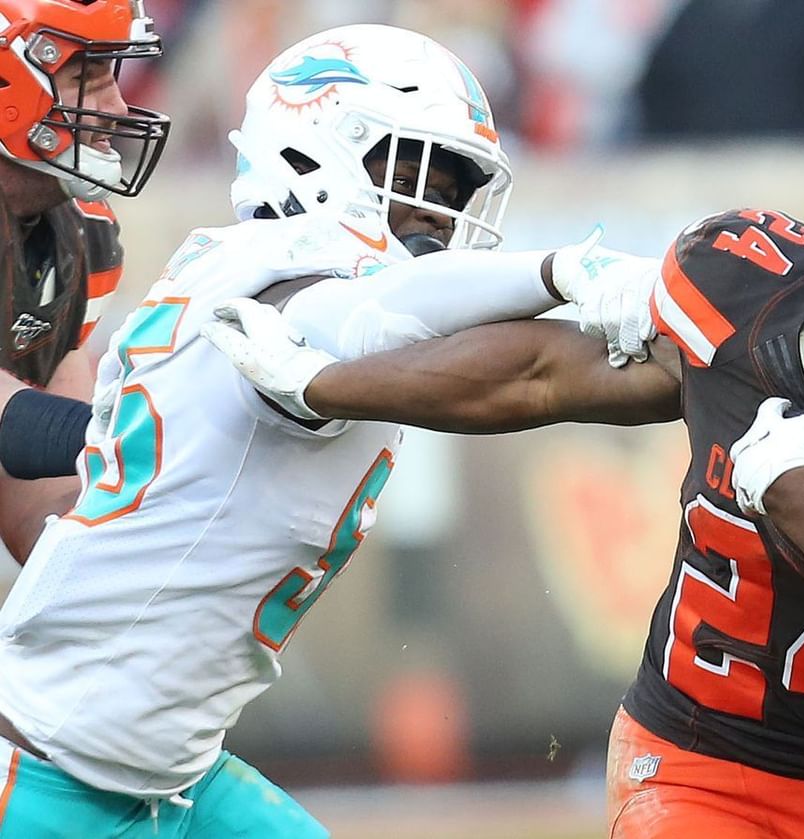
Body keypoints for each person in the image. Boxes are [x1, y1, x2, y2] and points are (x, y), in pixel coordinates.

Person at [208, 82, 804, 838]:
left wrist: (794, 490)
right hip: (702, 770)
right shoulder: (748, 298)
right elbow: (537, 372)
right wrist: (325, 380)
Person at [0, 23, 655, 837]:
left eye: (455, 188)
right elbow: (426, 334)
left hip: (164, 769)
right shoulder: (288, 297)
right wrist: (563, 271)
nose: (438, 214)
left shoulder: (250, 269)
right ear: (314, 153)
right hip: (55, 778)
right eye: (417, 174)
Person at [0, 0, 170, 563]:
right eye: (85, 77)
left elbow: (47, 504)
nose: (117, 106)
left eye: (110, 74)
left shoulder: (84, 238)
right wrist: (160, 433)